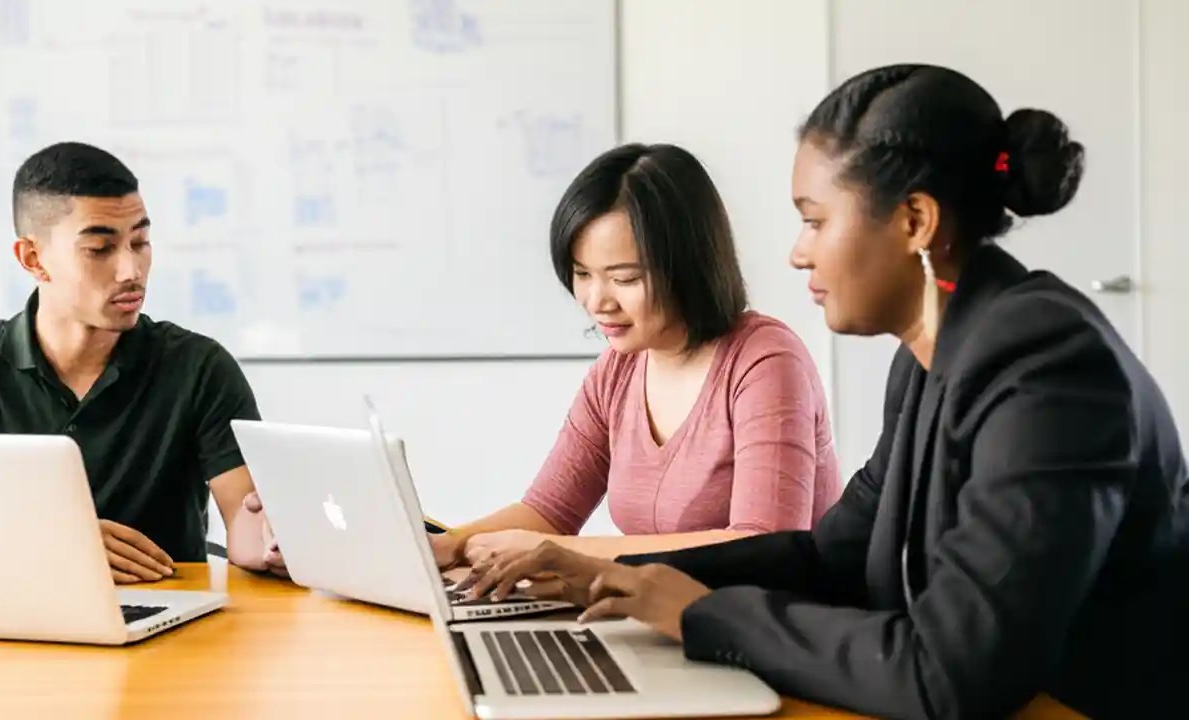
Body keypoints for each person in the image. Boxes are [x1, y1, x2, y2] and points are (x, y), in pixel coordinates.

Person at [465, 65, 1187, 718]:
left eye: (814, 220)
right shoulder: (934, 352)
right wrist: (617, 575)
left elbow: (951, 672)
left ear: (914, 222)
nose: (797, 250)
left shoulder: (1048, 368)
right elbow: (832, 553)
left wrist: (699, 615)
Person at [431, 143, 840, 567]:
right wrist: (451, 545)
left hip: (780, 625)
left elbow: (764, 548)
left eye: (624, 278)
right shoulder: (619, 369)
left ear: (689, 267)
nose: (597, 301)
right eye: (583, 274)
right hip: (673, 618)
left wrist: (562, 555)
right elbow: (549, 513)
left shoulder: (766, 363)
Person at [0, 141, 289, 582]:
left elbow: (244, 516)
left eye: (140, 242)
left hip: (165, 622)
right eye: (100, 249)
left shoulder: (199, 367)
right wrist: (51, 539)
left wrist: (271, 541)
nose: (131, 270)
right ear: (33, 259)